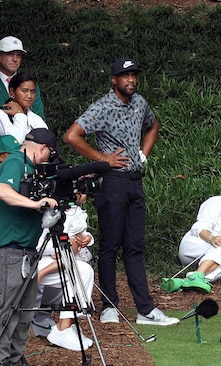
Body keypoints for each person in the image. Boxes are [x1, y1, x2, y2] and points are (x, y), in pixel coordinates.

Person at [63, 58, 179, 328]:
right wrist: (101, 159)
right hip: (112, 182)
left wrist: (142, 154)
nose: (131, 80)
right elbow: (72, 136)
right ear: (113, 80)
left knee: (135, 247)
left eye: (133, 75)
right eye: (125, 76)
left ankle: (145, 310)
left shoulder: (139, 102)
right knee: (110, 245)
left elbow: (153, 125)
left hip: (135, 182)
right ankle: (109, 307)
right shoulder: (103, 106)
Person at [0, 132, 59, 365]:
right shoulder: (16, 160)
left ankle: (15, 358)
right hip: (10, 249)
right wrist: (36, 203)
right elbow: (3, 191)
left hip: (27, 251)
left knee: (24, 312)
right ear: (43, 149)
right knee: (6, 310)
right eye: (50, 154)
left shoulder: (33, 170)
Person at [34, 188, 95, 351]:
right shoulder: (50, 211)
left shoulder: (78, 212)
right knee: (82, 271)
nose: (86, 195)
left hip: (63, 262)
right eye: (83, 191)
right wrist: (64, 248)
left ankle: (67, 324)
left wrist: (86, 239)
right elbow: (39, 244)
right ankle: (62, 328)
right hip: (40, 262)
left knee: (84, 270)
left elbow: (80, 238)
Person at [0, 39, 42, 119]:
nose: (15, 59)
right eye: (10, 54)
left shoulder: (30, 84)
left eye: (18, 55)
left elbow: (39, 115)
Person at [0, 73, 47, 144]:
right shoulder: (2, 115)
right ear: (12, 92)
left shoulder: (36, 118)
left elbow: (47, 144)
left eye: (33, 92)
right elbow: (14, 142)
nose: (29, 96)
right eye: (24, 91)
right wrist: (19, 114)